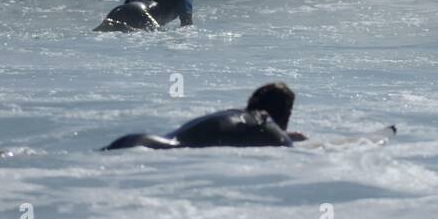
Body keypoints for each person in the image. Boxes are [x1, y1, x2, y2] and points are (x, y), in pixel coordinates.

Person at [102, 82, 307, 150]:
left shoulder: (235, 115)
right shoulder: (262, 123)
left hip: (136, 141)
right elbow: (284, 149)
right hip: (149, 150)